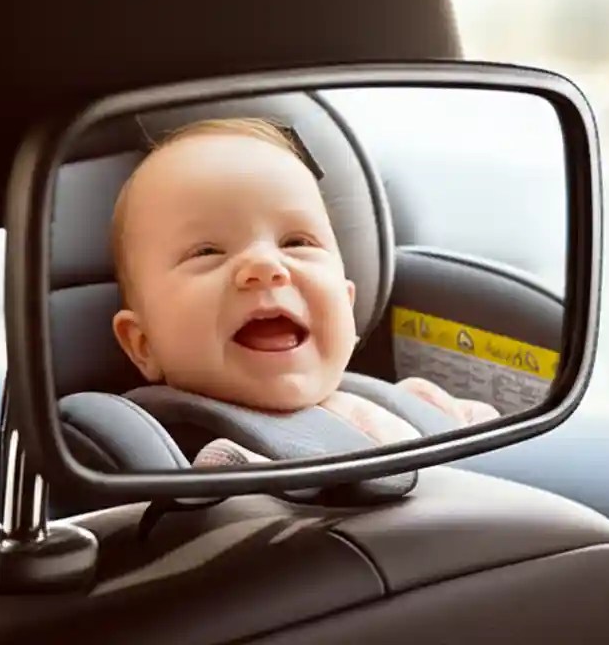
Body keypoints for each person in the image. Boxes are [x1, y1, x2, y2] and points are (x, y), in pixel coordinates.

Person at [108, 117, 500, 466]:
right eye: (207, 252)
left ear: (347, 307)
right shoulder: (178, 454)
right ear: (143, 344)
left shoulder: (405, 402)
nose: (266, 266)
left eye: (296, 242)